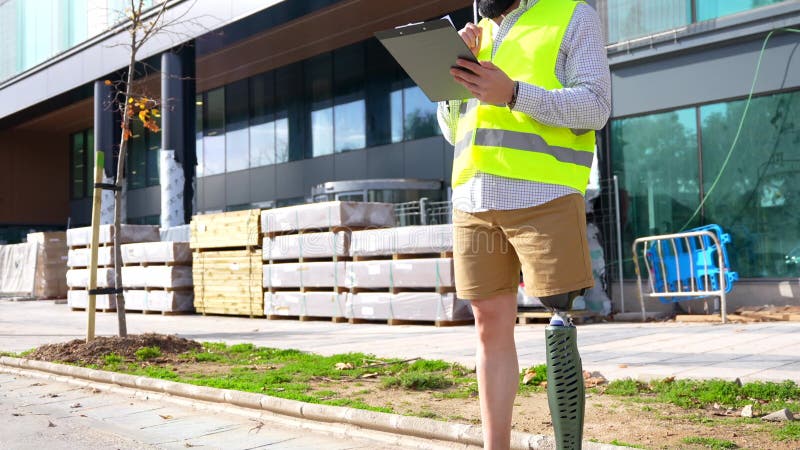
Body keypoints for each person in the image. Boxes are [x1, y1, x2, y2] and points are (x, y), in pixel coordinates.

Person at [437, 0, 610, 449]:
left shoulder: (573, 15)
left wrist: (515, 93)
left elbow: (596, 107)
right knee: (487, 328)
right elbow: (454, 129)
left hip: (543, 197)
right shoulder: (478, 33)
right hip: (474, 198)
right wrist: (453, 76)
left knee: (560, 322)